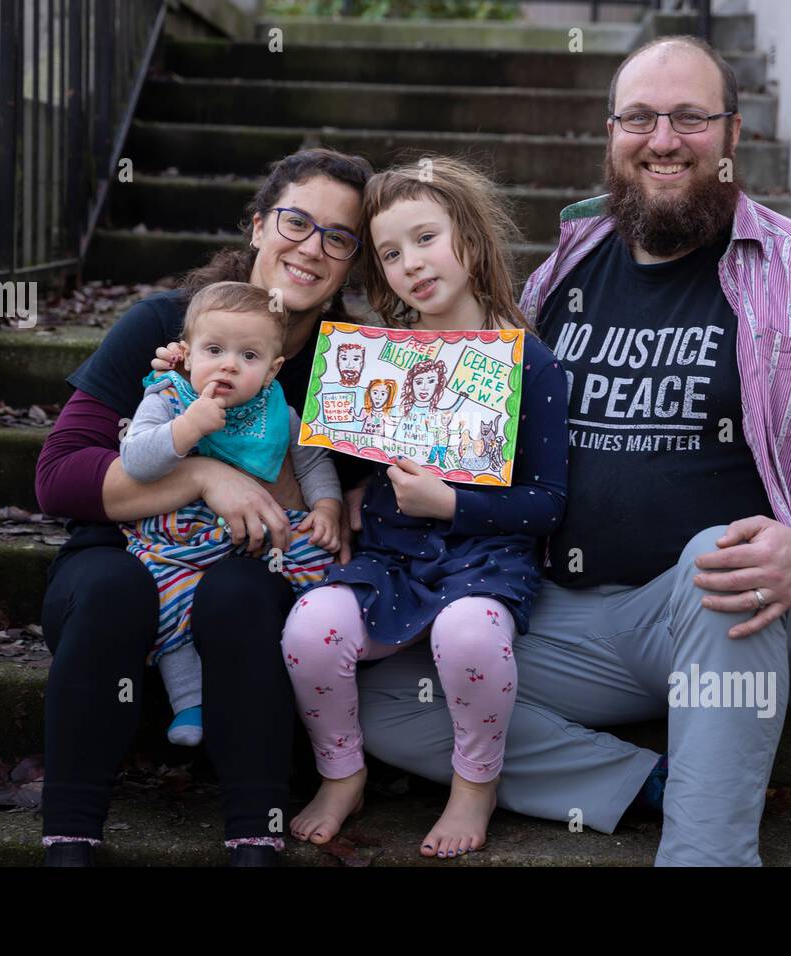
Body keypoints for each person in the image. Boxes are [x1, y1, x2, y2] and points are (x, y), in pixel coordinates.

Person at [355, 36, 791, 866]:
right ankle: (638, 782)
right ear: (611, 132)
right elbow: (463, 392)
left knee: (722, 558)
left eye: (690, 117)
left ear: (732, 134)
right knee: (380, 693)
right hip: (556, 611)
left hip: (721, 611)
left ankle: (703, 852)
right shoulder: (562, 274)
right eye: (640, 118)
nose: (663, 139)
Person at [34, 148, 374, 867]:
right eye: (296, 222)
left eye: (338, 238)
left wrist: (339, 498)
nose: (312, 248)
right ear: (257, 227)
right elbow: (59, 476)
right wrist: (200, 478)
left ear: (352, 262)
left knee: (243, 590)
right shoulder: (167, 327)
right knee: (109, 586)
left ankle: (256, 833)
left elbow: (344, 506)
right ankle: (69, 838)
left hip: (249, 586)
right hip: (127, 560)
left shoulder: (352, 366)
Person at [280, 156, 570, 859]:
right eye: (389, 252)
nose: (410, 263)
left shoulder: (528, 363)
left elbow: (549, 504)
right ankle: (341, 772)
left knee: (469, 637)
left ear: (468, 242)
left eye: (425, 238)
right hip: (389, 558)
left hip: (485, 558)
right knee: (309, 628)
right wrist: (349, 488)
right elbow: (349, 451)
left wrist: (452, 504)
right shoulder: (385, 358)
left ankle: (475, 783)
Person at [118, 281, 343, 748]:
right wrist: (185, 430)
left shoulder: (278, 413)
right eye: (215, 349)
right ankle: (190, 702)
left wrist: (326, 506)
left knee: (322, 563)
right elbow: (136, 461)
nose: (228, 364)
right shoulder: (168, 398)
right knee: (167, 600)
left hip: (260, 531)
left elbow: (314, 462)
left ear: (272, 369)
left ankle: (316, 666)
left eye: (248, 356)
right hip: (181, 537)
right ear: (186, 354)